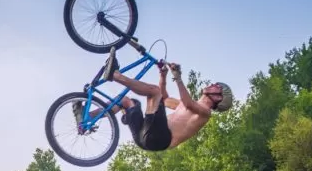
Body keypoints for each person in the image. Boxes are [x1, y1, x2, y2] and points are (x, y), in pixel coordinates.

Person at [78, 55, 233, 152]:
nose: (213, 84)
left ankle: (115, 75)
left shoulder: (205, 113)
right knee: (126, 101)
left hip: (160, 139)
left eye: (217, 86)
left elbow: (188, 103)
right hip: (144, 137)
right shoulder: (183, 104)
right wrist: (163, 75)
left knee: (154, 92)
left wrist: (178, 77)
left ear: (218, 98)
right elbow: (164, 99)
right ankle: (86, 117)